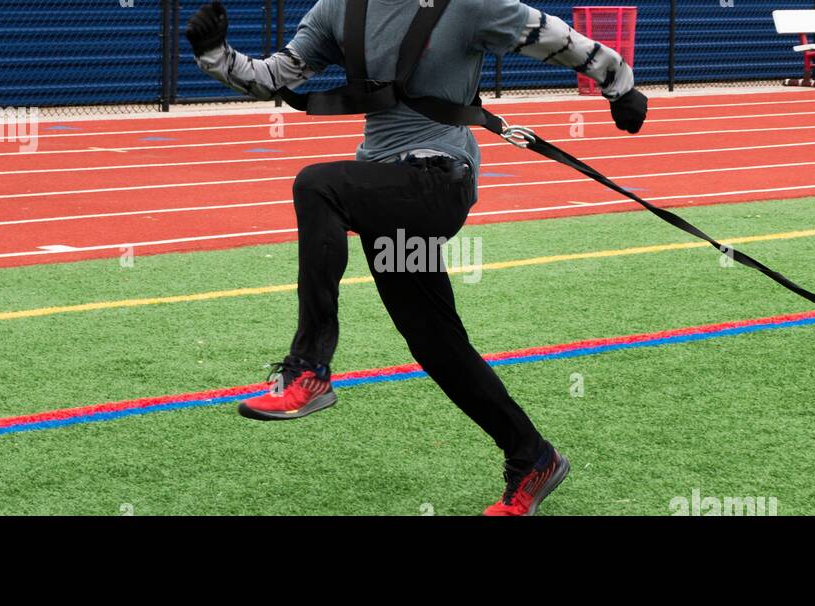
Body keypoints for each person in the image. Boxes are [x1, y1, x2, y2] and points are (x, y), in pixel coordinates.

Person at [187, 0, 647, 516]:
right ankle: (532, 457)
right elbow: (274, 77)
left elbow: (560, 39)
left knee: (317, 186)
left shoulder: (471, 6)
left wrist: (620, 85)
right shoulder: (339, 9)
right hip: (388, 199)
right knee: (436, 344)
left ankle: (308, 368)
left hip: (437, 182)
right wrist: (213, 52)